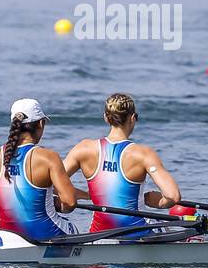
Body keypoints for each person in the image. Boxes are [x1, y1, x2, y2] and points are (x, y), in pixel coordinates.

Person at [64, 93, 180, 234]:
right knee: (167, 226)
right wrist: (160, 202)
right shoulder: (143, 154)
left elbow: (50, 184)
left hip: (98, 235)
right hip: (137, 235)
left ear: (106, 118)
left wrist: (86, 195)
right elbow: (173, 196)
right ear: (132, 118)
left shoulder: (83, 149)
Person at [0, 98, 78, 240]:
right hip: (47, 234)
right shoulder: (48, 157)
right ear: (40, 123)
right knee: (73, 229)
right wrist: (56, 205)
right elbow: (70, 202)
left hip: (9, 236)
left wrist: (6, 205)